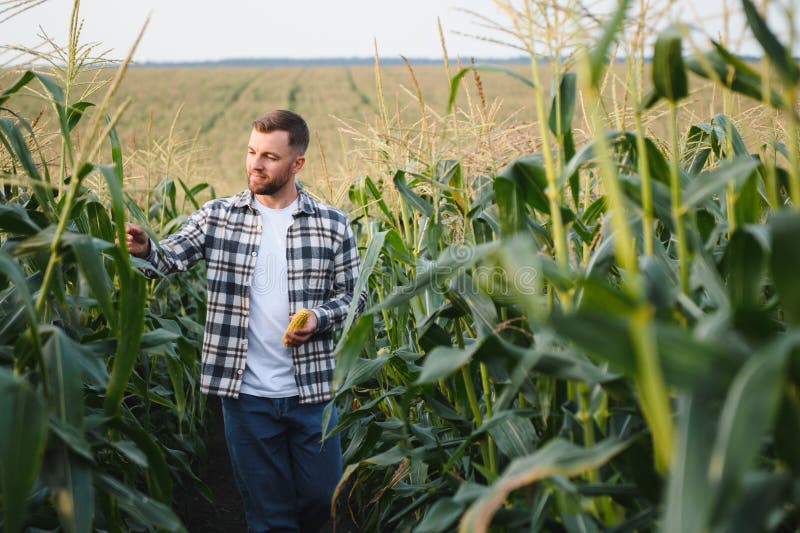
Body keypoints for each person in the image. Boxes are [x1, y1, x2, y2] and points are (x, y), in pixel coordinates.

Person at [125, 109, 365, 533]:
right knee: (268, 517)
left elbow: (355, 296)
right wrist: (146, 249)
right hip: (246, 395)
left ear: (297, 164)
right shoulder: (218, 217)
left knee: (322, 500)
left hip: (312, 392)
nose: (256, 163)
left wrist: (319, 318)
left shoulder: (332, 225)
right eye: (252, 151)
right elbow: (168, 259)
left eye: (270, 157)